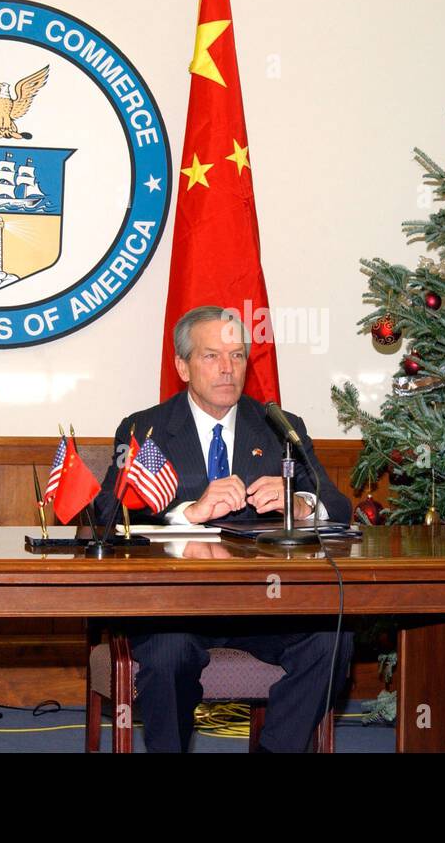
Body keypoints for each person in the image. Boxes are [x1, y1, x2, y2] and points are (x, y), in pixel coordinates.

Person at [93, 305, 353, 752]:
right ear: (182, 366)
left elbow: (338, 506)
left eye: (236, 356)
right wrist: (189, 513)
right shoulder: (145, 429)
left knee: (335, 637)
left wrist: (300, 503)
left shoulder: (279, 428)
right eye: (212, 356)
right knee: (168, 652)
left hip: (263, 605)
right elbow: (105, 517)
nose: (227, 369)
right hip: (176, 607)